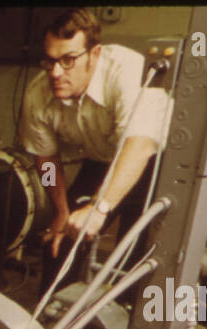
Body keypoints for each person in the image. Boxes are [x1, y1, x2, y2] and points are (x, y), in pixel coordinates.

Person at [19, 8, 171, 292]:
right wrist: (61, 210)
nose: (55, 72)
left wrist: (100, 208)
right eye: (50, 61)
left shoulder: (128, 73)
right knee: (61, 240)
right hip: (103, 159)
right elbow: (47, 161)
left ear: (95, 54)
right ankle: (50, 323)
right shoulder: (37, 94)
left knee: (134, 257)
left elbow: (138, 147)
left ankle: (121, 325)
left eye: (68, 60)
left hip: (154, 161)